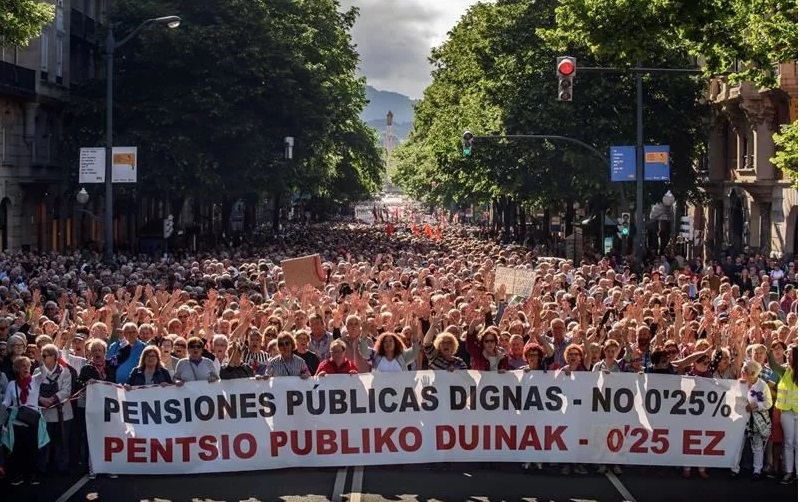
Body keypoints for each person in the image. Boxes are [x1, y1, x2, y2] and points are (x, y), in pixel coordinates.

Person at [2, 356, 47, 486]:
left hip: (32, 420)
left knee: (33, 448)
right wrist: (3, 408)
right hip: (17, 420)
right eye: (22, 366)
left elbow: (44, 374)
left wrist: (40, 361)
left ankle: (32, 475)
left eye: (27, 366)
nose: (26, 369)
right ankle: (18, 475)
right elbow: (6, 402)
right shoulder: (12, 384)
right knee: (18, 449)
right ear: (17, 369)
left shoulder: (35, 380)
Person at [731, 360, 773, 480]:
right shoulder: (739, 384)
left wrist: (755, 405)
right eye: (743, 370)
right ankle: (735, 469)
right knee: (738, 444)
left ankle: (757, 470)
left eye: (745, 371)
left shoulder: (763, 385)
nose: (742, 372)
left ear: (753, 373)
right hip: (741, 419)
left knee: (757, 446)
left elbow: (769, 403)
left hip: (756, 420)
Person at [35, 343, 72, 476]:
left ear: (54, 357)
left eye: (45, 356)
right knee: (44, 440)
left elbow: (66, 390)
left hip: (62, 413)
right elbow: (33, 389)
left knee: (62, 441)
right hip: (44, 413)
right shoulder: (37, 371)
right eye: (42, 356)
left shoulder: (65, 372)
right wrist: (40, 399)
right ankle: (44, 466)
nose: (43, 358)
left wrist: (52, 399)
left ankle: (62, 467)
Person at [774, 344, 798, 484]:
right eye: (787, 355)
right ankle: (789, 472)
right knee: (788, 443)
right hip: (787, 412)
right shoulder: (784, 371)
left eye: (790, 355)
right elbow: (772, 363)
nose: (787, 357)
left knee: (797, 443)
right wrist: (769, 346)